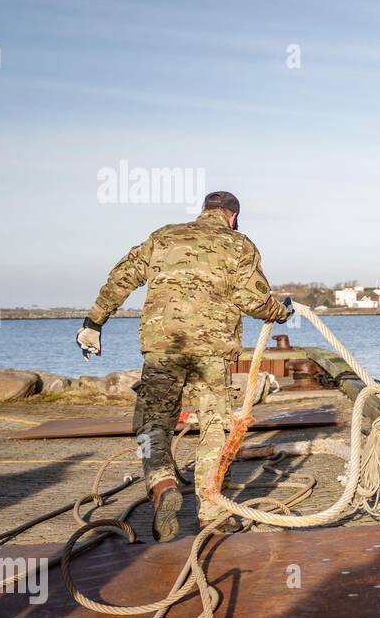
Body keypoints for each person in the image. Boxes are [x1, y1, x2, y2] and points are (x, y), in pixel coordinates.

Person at [76, 191, 292, 541]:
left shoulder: (163, 236)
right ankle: (212, 514)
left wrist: (94, 322)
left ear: (204, 211)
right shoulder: (239, 245)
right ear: (233, 217)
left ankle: (162, 484)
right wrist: (281, 311)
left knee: (153, 423)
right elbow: (251, 298)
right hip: (213, 352)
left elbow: (122, 278)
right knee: (214, 428)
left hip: (163, 348)